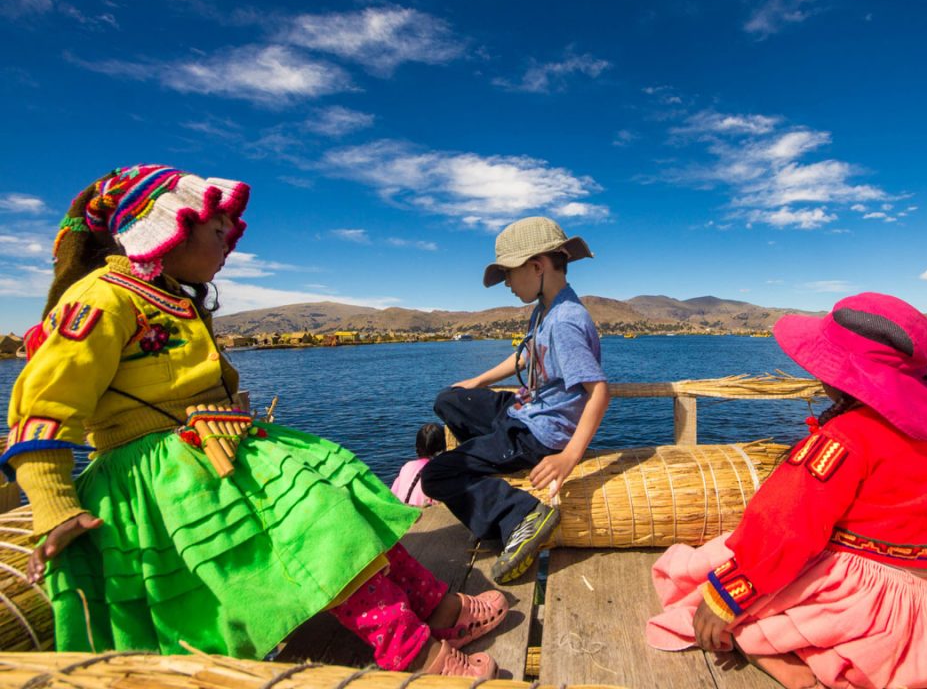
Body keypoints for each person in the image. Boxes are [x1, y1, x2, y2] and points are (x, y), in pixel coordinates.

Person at [4, 165, 508, 677]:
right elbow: (44, 404)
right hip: (167, 482)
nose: (228, 245)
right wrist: (53, 503)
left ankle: (438, 607)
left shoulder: (170, 295)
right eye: (218, 231)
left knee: (340, 511)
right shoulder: (102, 298)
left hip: (217, 456)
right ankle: (418, 657)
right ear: (169, 228)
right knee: (320, 535)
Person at [646, 292, 927, 689]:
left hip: (849, 592)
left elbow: (786, 523)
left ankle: (761, 644)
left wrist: (725, 598)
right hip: (912, 603)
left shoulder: (845, 438)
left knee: (710, 572)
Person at [422, 216, 610, 584]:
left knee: (436, 475)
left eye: (509, 273)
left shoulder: (565, 321)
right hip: (523, 411)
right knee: (450, 400)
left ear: (537, 267)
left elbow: (599, 393)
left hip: (538, 434)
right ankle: (488, 461)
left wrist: (568, 457)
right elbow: (525, 358)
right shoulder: (545, 309)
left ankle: (520, 514)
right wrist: (478, 382)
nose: (507, 283)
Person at [391, 423, 445, 507]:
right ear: (444, 447)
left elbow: (392, 495)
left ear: (417, 448)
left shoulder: (407, 467)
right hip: (423, 513)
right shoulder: (441, 472)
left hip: (403, 511)